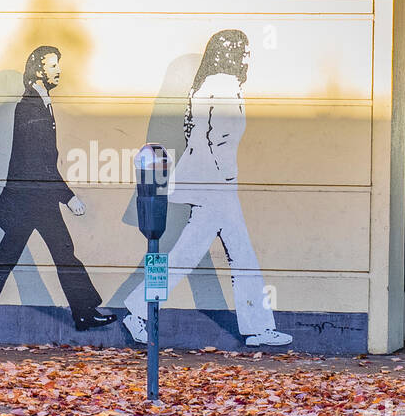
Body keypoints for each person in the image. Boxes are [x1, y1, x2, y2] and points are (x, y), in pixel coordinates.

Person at [120, 29, 291, 348]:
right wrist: (225, 176)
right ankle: (138, 311)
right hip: (216, 184)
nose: (247, 56)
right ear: (229, 54)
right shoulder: (223, 86)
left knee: (231, 254)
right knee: (207, 256)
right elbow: (219, 137)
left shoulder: (207, 85)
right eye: (243, 49)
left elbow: (197, 133)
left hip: (212, 183)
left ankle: (256, 327)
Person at [0, 45, 115, 337]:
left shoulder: (41, 103)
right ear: (38, 70)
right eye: (53, 64)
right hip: (28, 200)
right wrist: (68, 196)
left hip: (37, 198)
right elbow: (35, 162)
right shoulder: (30, 106)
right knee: (13, 259)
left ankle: (83, 313)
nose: (58, 70)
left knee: (60, 253)